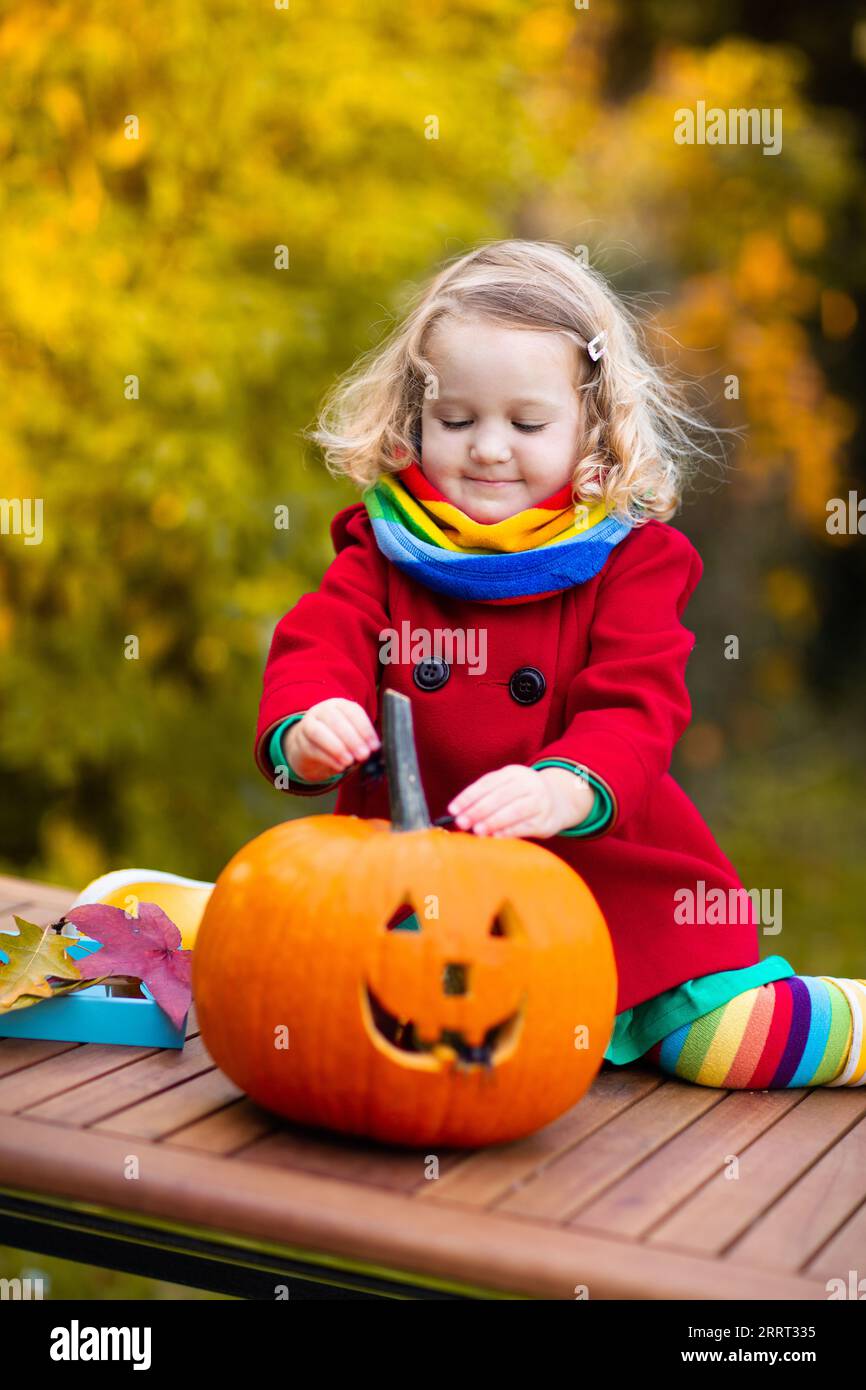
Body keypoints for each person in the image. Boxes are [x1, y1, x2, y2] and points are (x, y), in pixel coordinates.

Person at [255, 239, 865, 1089]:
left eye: (527, 423)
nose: (489, 449)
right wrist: (307, 723)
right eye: (457, 420)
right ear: (413, 420)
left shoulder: (631, 559)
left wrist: (559, 787)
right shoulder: (384, 549)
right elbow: (319, 641)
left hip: (603, 875)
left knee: (726, 1049)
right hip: (415, 887)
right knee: (354, 1029)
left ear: (591, 427)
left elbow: (636, 709)